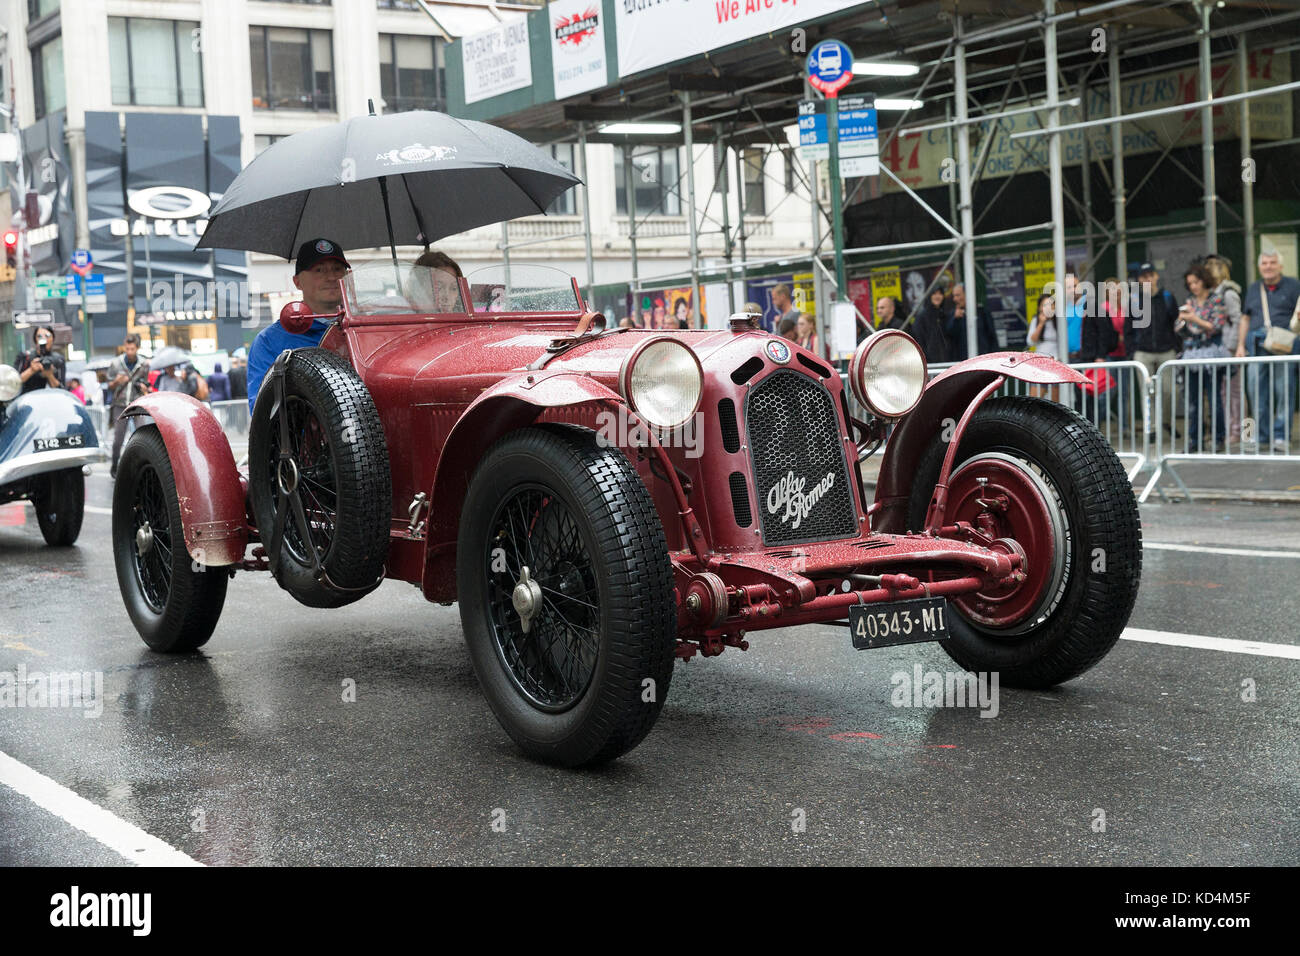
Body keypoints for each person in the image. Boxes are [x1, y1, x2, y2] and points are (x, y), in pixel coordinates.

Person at [247, 238, 349, 414]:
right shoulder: (269, 341)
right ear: (297, 282)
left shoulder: (368, 329)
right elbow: (262, 411)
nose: (331, 277)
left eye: (337, 269)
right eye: (319, 270)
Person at [1240, 248, 1300, 452]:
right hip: (1256, 345)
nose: (1268, 267)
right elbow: (1245, 317)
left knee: (1284, 390)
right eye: (1264, 263)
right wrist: (1240, 345)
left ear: (1281, 266)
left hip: (1285, 344)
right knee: (1255, 391)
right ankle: (1261, 436)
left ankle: (1282, 436)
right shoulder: (1254, 287)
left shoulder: (1293, 285)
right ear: (1259, 267)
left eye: (1272, 263)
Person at [1125, 261, 1180, 441]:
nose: (1148, 279)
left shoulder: (1167, 297)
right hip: (1143, 351)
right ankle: (1152, 428)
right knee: (1146, 391)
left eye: (1150, 275)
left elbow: (1176, 324)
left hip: (1166, 350)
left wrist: (1176, 347)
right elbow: (1128, 328)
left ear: (1156, 276)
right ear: (1140, 280)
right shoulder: (1134, 300)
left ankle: (1165, 421)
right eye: (1143, 276)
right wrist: (1132, 351)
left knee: (1169, 391)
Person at [1178, 262, 1229, 454]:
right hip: (1191, 353)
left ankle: (1218, 439)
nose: (1193, 286)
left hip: (1211, 352)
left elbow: (1216, 325)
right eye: (1190, 283)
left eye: (1196, 282)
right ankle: (1195, 440)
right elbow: (1181, 328)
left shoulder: (1216, 300)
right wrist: (1182, 321)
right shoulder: (1189, 301)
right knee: (1193, 400)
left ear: (1204, 281)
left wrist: (1194, 319)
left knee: (1214, 398)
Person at [1205, 254, 1243, 450]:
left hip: (1228, 349)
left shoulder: (1228, 293)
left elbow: (1237, 320)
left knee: (1232, 392)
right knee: (1222, 392)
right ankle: (1228, 428)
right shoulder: (1215, 293)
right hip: (1219, 349)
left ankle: (1236, 430)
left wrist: (1232, 347)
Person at [107, 333, 151, 478]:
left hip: (137, 404)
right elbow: (109, 385)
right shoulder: (116, 363)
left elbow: (147, 384)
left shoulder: (144, 364)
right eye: (127, 349)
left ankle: (142, 467)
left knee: (141, 435)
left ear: (137, 348)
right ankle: (114, 466)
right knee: (118, 439)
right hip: (120, 404)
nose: (129, 352)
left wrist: (145, 388)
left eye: (132, 349)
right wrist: (117, 382)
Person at [945, 283, 997, 358]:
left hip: (982, 359)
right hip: (962, 361)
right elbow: (949, 335)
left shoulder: (982, 312)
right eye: (954, 296)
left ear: (967, 294)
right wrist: (955, 319)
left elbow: (992, 337)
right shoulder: (953, 315)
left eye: (958, 295)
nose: (955, 299)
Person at [14, 326, 66, 393]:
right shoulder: (25, 357)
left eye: (47, 336)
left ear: (53, 338)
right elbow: (14, 381)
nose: (44, 339)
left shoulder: (58, 359)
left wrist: (49, 375)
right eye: (39, 336)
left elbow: (61, 390)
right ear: (35, 339)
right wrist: (31, 370)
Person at [912, 286, 952, 366]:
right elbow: (919, 339)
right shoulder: (922, 317)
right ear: (929, 296)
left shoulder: (943, 315)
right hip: (930, 363)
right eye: (934, 294)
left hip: (945, 361)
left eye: (940, 294)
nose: (937, 296)